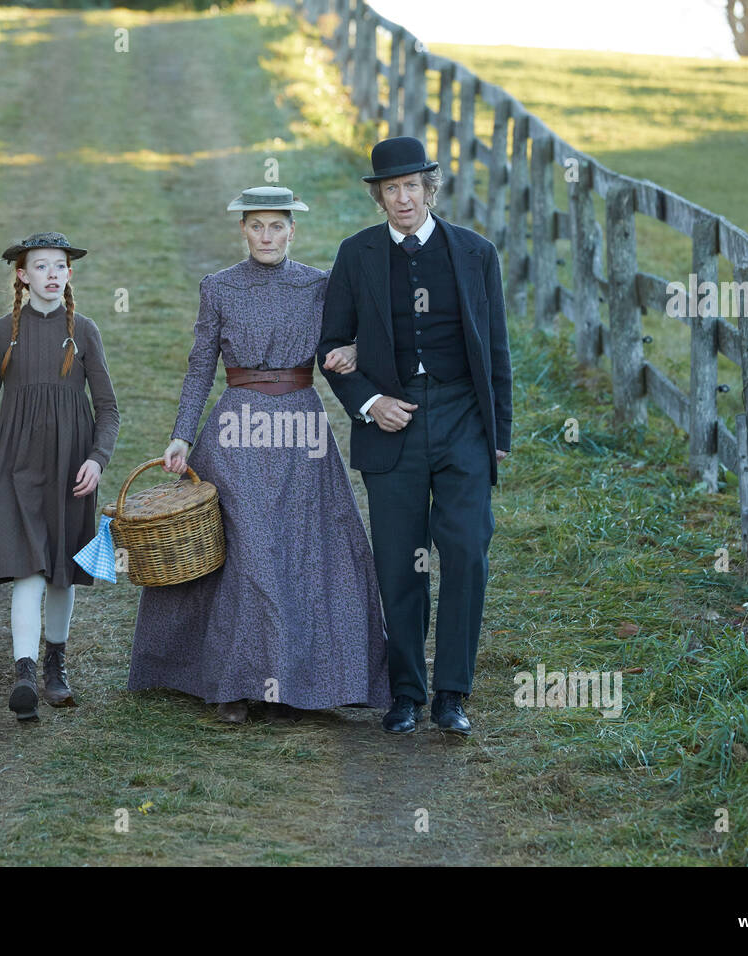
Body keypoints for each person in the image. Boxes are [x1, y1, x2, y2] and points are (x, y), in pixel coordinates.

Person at [128, 186, 390, 724]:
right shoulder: (219, 287)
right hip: (237, 430)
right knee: (244, 551)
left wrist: (356, 350)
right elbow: (201, 363)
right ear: (243, 230)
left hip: (301, 429)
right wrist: (181, 433)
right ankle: (234, 682)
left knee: (305, 549)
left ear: (293, 230)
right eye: (257, 227)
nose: (267, 236)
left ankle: (296, 682)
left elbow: (362, 337)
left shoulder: (319, 285)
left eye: (278, 226)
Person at [317, 137, 513, 737]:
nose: (401, 199)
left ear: (430, 190)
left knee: (465, 553)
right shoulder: (356, 255)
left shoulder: (476, 254)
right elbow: (329, 348)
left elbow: (497, 348)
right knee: (400, 564)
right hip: (392, 427)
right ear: (379, 197)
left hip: (462, 422)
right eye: (390, 189)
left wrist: (498, 432)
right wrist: (371, 404)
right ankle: (406, 692)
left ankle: (452, 693)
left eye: (411, 187)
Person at [0, 232, 119, 721]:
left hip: (71, 468)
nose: (51, 274)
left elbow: (108, 409)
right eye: (40, 266)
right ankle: (23, 671)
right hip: (16, 467)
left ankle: (55, 667)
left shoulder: (84, 331)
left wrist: (97, 459)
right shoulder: (5, 332)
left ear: (69, 275)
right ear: (22, 275)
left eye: (59, 266)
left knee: (62, 572)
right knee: (28, 568)